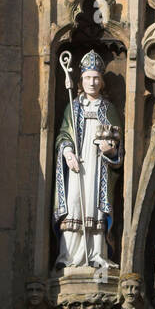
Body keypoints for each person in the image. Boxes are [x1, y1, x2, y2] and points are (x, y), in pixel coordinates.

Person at [54, 50, 123, 270]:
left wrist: (110, 150)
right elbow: (64, 135)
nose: (92, 82)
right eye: (87, 78)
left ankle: (96, 255)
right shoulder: (73, 107)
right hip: (78, 165)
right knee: (74, 203)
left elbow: (117, 140)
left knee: (96, 207)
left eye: (96, 78)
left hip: (98, 167)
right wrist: (67, 152)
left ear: (102, 82)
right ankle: (69, 256)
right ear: (80, 81)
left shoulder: (108, 108)